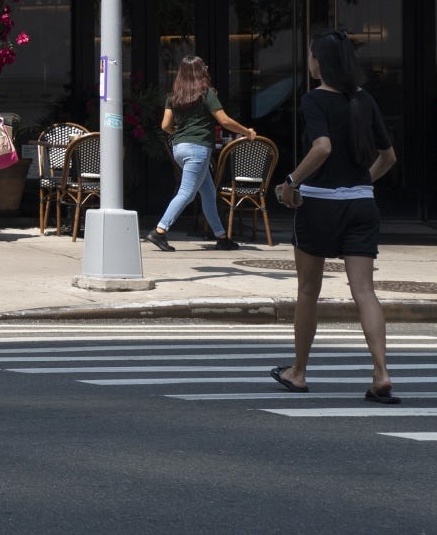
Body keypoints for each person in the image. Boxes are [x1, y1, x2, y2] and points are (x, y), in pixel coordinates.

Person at [272, 31, 399, 403]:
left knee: (309, 291)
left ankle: (298, 372)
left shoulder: (314, 100)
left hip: (319, 206)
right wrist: (359, 184)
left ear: (320, 63)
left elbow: (322, 146)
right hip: (362, 205)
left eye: (311, 56)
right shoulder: (364, 100)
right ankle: (381, 372)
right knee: (364, 291)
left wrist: (291, 181)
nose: (309, 61)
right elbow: (388, 157)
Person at [147, 56, 253, 252]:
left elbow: (165, 126)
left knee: (208, 192)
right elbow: (225, 120)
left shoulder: (173, 97)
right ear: (201, 72)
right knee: (187, 193)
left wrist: (179, 134)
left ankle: (221, 237)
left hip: (179, 149)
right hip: (198, 150)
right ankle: (160, 231)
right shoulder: (206, 94)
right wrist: (247, 132)